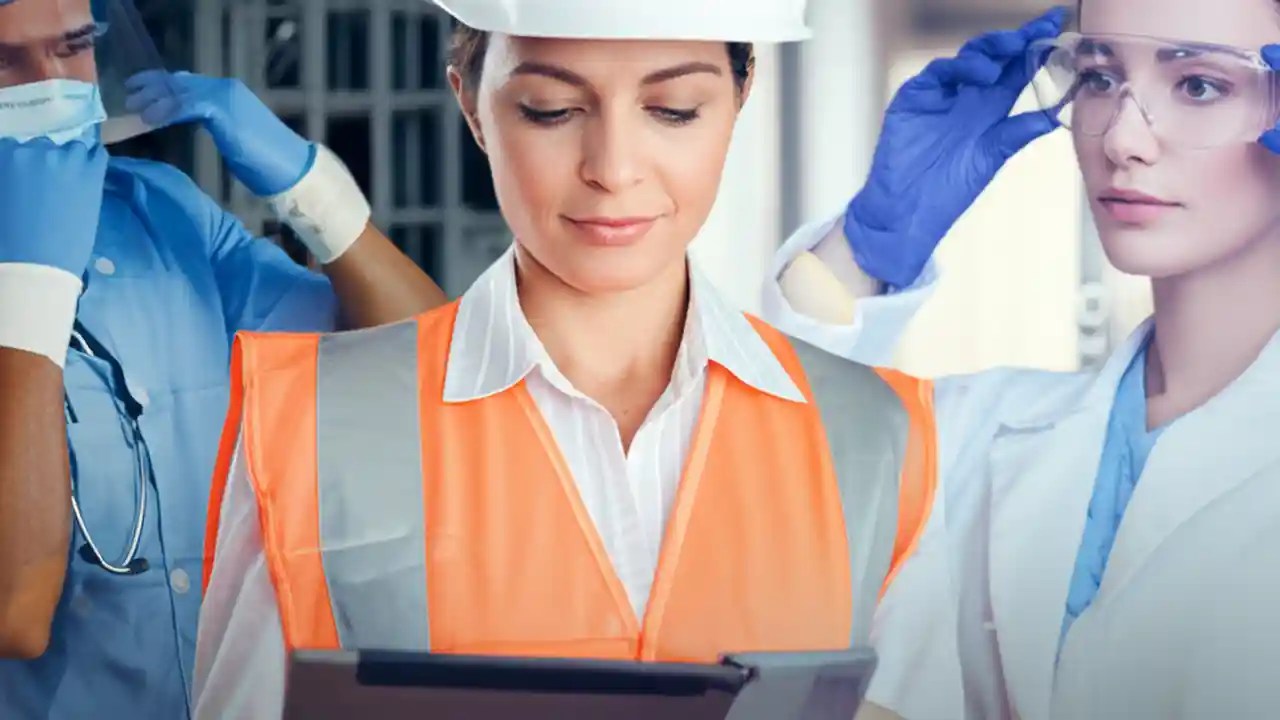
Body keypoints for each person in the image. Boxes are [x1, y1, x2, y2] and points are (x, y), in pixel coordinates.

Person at [191, 0, 945, 717]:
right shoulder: (310, 425)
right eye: (551, 110)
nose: (613, 169)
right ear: (471, 105)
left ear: (741, 96)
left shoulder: (876, 434)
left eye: (674, 109)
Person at [765, 1, 1280, 717]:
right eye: (1098, 78)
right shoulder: (972, 432)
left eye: (1198, 85)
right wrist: (863, 252)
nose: (1122, 138)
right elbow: (759, 497)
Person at [0, 0, 446, 717]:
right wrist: (29, 290)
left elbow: (429, 358)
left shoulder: (159, 209)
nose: (51, 86)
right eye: (4, 62)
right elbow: (14, 614)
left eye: (73, 47)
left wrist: (316, 194)